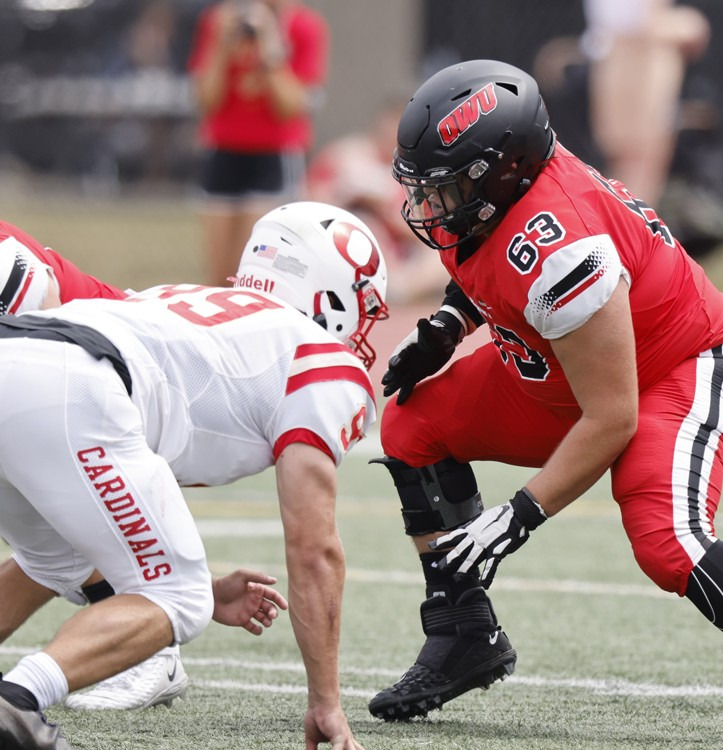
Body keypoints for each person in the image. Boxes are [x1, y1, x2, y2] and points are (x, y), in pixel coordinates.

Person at [367, 60, 723, 745]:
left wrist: (513, 519)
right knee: (411, 421)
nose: (433, 206)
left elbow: (612, 416)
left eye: (450, 184)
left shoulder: (561, 244)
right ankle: (463, 632)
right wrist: (451, 325)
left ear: (504, 170)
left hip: (671, 367)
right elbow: (488, 261)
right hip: (565, 362)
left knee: (667, 542)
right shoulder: (507, 193)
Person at [0, 201, 387, 750]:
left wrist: (212, 588)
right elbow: (313, 549)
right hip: (75, 382)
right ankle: (16, 700)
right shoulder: (320, 358)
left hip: (20, 352)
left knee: (53, 561)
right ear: (335, 296)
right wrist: (325, 700)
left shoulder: (180, 300)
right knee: (177, 596)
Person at [0, 221, 196, 711]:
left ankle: (151, 648)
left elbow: (36, 351)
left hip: (120, 375)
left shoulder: (7, 261)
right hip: (70, 374)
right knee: (47, 549)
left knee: (58, 528)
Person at [188, 0, 329, 287]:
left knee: (255, 269)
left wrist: (270, 46)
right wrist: (220, 44)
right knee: (219, 277)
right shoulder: (217, 20)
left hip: (274, 154)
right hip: (224, 150)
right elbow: (206, 99)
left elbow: (290, 106)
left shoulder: (303, 26)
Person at [306, 98, 451, 305]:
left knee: (442, 255)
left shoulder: (416, 176)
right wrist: (350, 204)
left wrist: (383, 213)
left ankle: (397, 290)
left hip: (396, 258)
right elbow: (311, 200)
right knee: (365, 222)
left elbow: (426, 234)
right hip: (343, 239)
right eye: (390, 124)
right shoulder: (346, 155)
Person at [582, 0, 710, 208]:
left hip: (613, 59)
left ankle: (624, 223)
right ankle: (634, 226)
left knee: (628, 156)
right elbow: (645, 26)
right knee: (642, 155)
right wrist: (687, 24)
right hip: (640, 62)